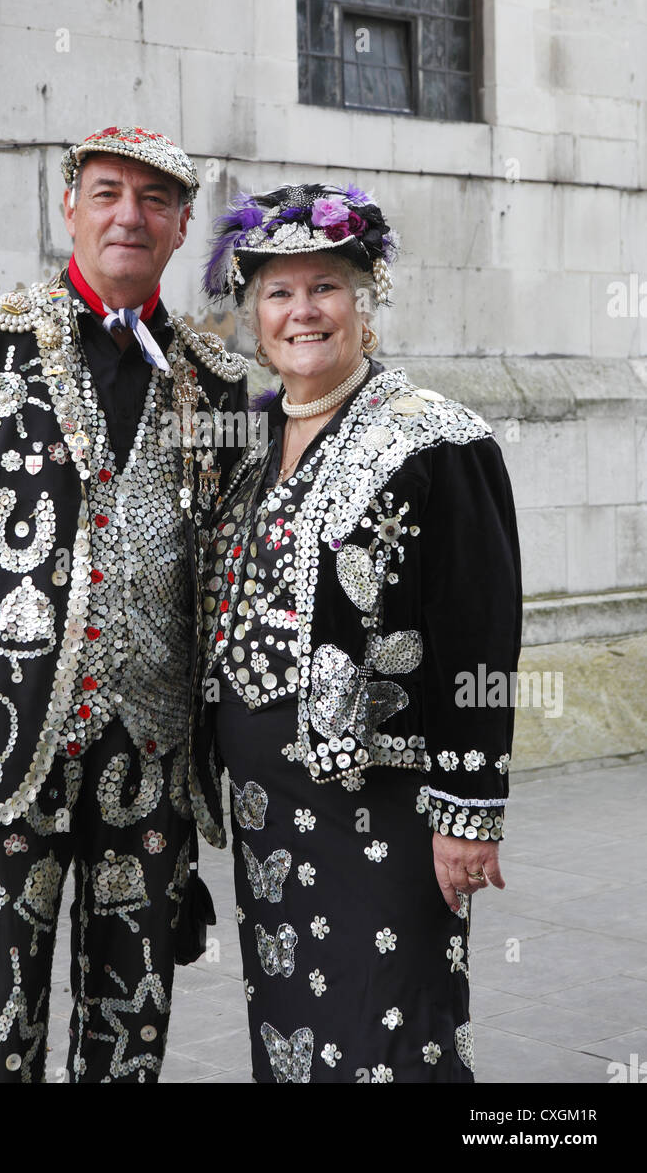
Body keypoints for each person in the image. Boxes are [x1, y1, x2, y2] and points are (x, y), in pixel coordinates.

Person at [0, 125, 248, 1083]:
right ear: (69, 206)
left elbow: (237, 565)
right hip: (6, 746)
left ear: (181, 225)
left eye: (155, 200)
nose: (130, 215)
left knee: (132, 1027)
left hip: (152, 758)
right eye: (109, 193)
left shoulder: (220, 379)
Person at [190, 181, 522, 1083]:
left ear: (364, 300)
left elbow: (480, 639)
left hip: (383, 807)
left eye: (324, 286)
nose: (303, 311)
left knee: (395, 1032)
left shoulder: (436, 441)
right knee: (297, 1035)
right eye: (279, 292)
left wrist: (467, 814)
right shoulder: (252, 442)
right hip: (267, 817)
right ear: (254, 314)